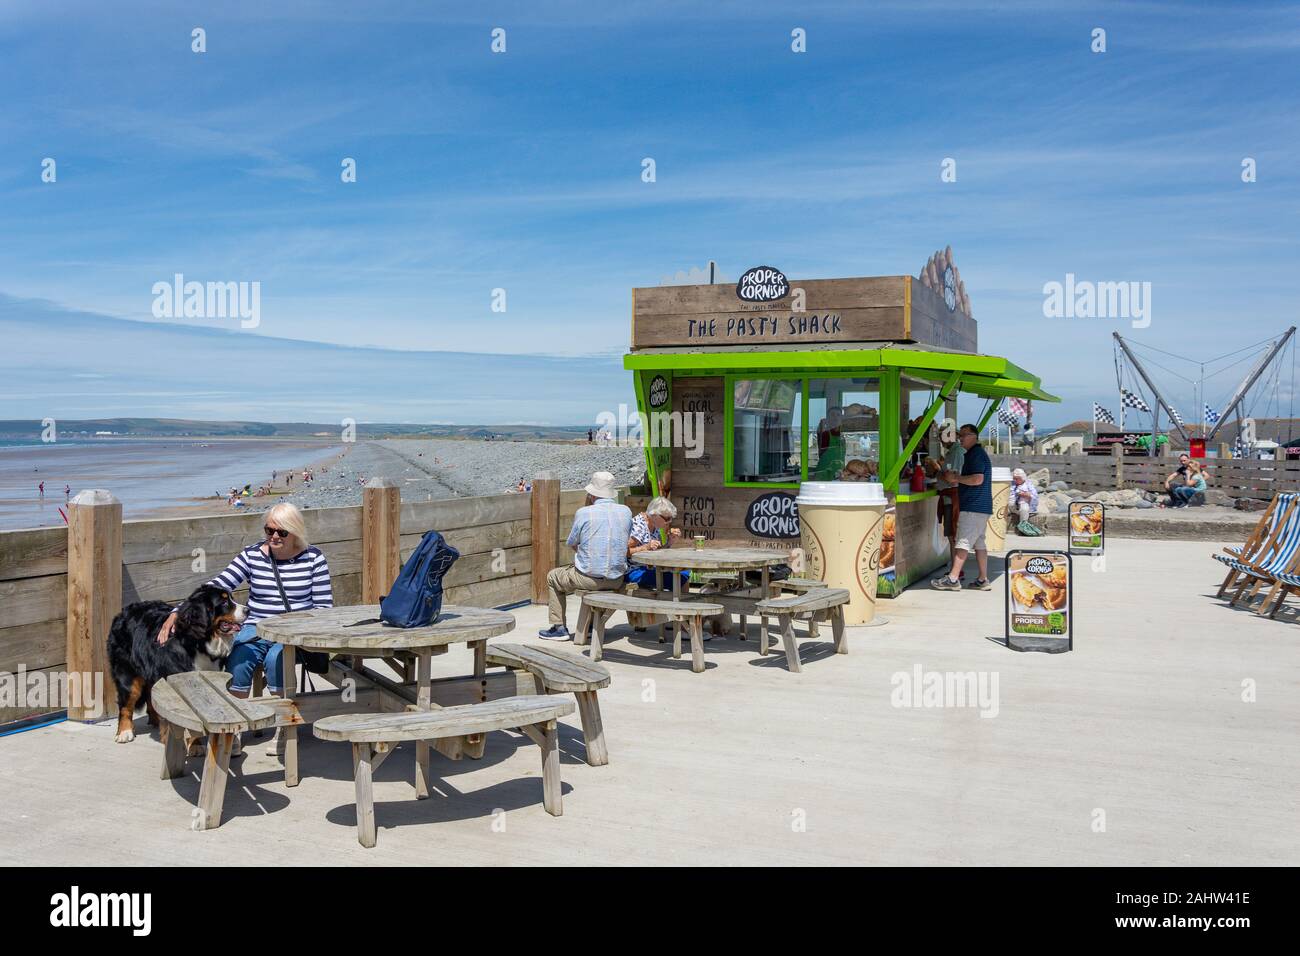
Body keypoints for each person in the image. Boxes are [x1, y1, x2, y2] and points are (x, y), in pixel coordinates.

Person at [156, 502, 333, 755]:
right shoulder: (251, 555)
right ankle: (234, 726)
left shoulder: (314, 558)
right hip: (255, 627)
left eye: (281, 532)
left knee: (276, 660)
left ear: (295, 532)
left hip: (294, 632)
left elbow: (324, 607)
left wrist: (301, 630)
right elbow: (216, 586)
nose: (274, 536)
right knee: (238, 657)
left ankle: (282, 727)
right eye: (269, 530)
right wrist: (178, 611)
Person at [539, 471, 631, 640]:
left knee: (553, 576)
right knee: (592, 575)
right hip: (617, 577)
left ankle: (558, 627)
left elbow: (573, 543)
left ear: (591, 494)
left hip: (589, 579)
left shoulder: (584, 512)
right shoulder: (625, 512)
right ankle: (589, 625)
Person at [931, 423, 993, 591]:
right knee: (979, 543)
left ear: (974, 436)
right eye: (960, 435)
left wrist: (956, 478)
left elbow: (977, 479)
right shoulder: (974, 453)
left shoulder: (975, 455)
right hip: (981, 506)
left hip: (973, 505)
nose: (960, 438)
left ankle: (953, 578)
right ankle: (982, 579)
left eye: (964, 435)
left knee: (962, 542)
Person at [935, 432, 966, 568]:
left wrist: (938, 471)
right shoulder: (955, 452)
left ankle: (956, 571)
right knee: (953, 536)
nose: (941, 443)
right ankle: (956, 570)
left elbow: (952, 478)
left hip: (951, 499)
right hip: (950, 497)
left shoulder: (956, 453)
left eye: (942, 439)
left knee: (953, 536)